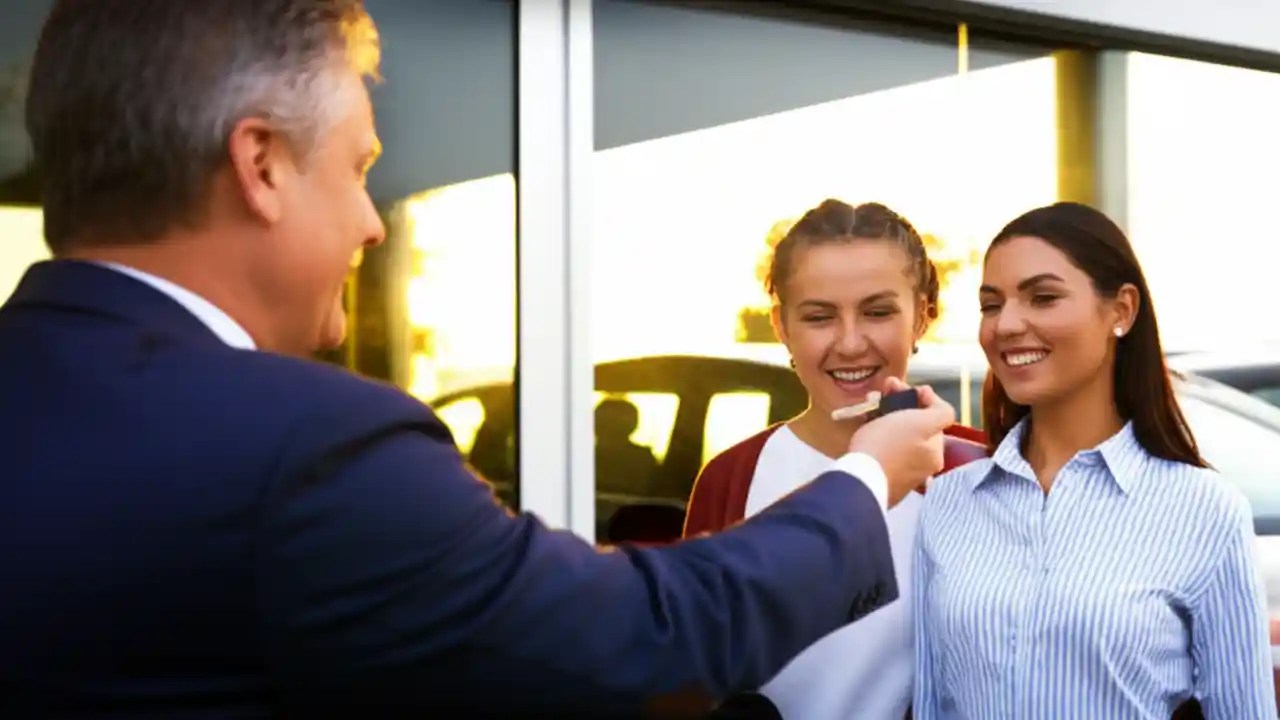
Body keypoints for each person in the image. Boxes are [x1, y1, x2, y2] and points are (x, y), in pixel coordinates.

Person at [0, 2, 959, 717]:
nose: (373, 224)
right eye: (361, 168)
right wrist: (868, 479)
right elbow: (639, 642)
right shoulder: (312, 447)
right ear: (261, 167)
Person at [913, 202, 1275, 718]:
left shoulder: (1205, 510)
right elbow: (932, 706)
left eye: (1043, 297)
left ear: (1121, 311)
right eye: (991, 305)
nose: (1007, 324)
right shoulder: (949, 500)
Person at [684, 199, 987, 720]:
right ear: (782, 327)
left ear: (923, 317)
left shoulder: (981, 474)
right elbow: (690, 670)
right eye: (820, 316)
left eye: (877, 311)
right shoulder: (732, 479)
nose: (850, 343)